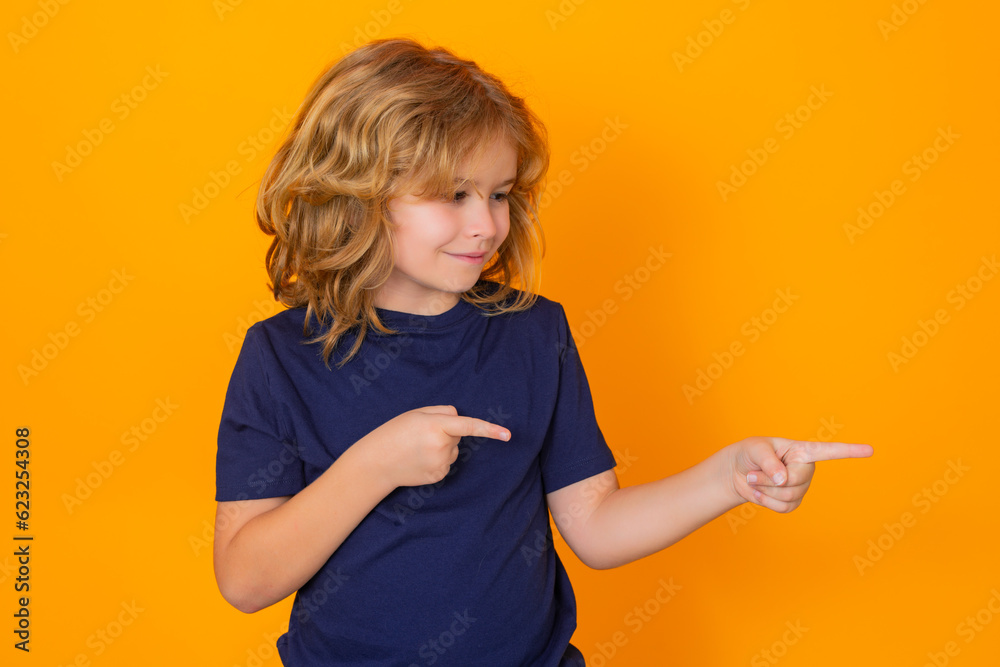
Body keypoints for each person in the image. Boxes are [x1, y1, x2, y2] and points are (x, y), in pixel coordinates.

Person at [212, 37, 874, 667]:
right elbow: (244, 580)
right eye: (454, 195)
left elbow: (595, 525)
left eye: (499, 194)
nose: (487, 224)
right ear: (358, 193)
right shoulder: (279, 357)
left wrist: (728, 477)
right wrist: (373, 467)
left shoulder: (534, 333)